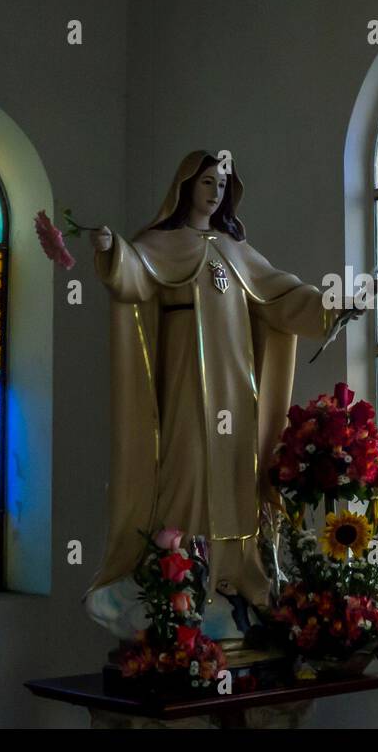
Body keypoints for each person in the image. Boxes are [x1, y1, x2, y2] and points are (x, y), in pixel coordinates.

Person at [86, 150, 342, 638]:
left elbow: (284, 296)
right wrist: (111, 250)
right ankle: (182, 568)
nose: (214, 190)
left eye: (222, 183)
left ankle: (237, 571)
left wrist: (333, 300)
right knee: (187, 465)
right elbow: (134, 277)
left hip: (236, 383)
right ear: (185, 185)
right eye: (206, 181)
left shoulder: (237, 249)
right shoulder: (160, 243)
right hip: (183, 383)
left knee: (237, 470)